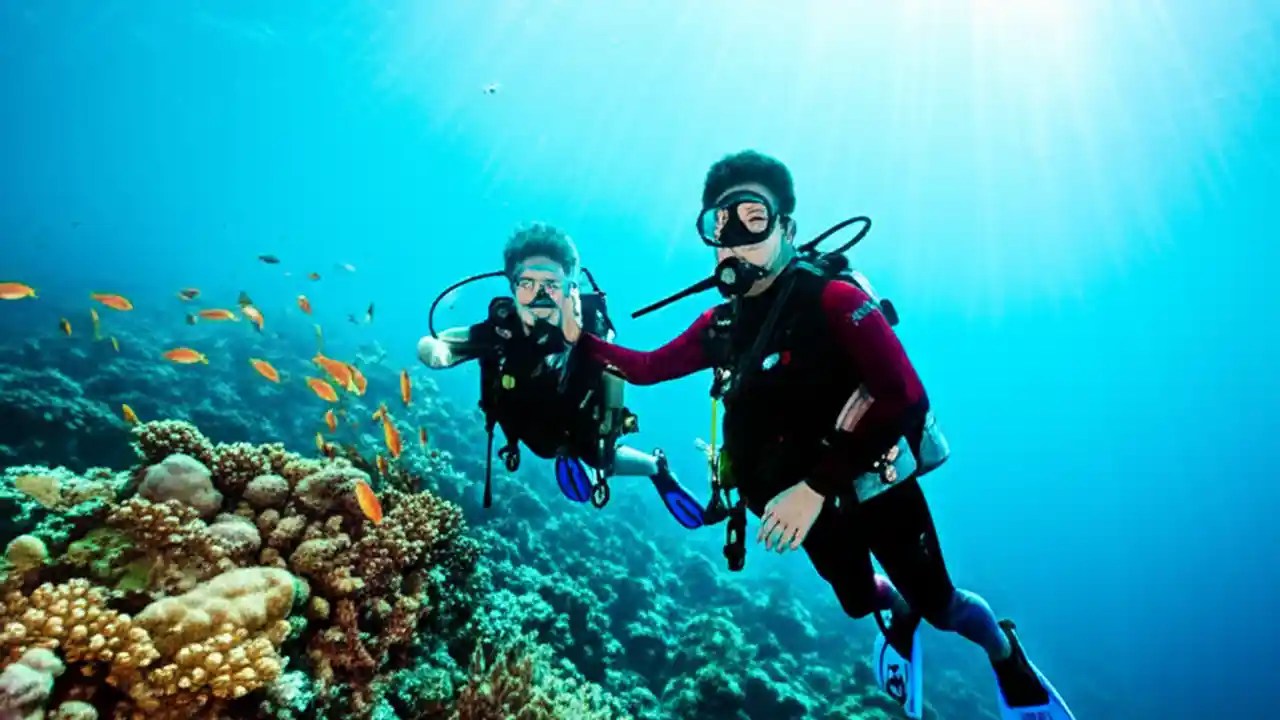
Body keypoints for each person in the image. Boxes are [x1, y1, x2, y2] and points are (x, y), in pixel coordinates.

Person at [555, 151, 1076, 720]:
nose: (732, 239)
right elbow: (650, 367)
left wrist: (815, 487)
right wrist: (579, 337)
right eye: (717, 225)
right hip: (803, 509)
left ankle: (1005, 654)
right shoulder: (722, 324)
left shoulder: (834, 299)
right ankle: (896, 610)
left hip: (874, 489)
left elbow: (906, 395)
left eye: (752, 218)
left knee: (943, 606)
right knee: (858, 603)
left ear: (787, 228)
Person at [417, 222, 706, 530]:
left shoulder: (588, 334)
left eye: (551, 284)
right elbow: (441, 342)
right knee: (545, 447)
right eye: (527, 283)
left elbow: (641, 365)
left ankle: (656, 468)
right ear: (511, 286)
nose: (539, 296)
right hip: (530, 429)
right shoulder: (502, 330)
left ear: (570, 287)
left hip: (580, 425)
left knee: (601, 460)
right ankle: (563, 453)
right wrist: (435, 352)